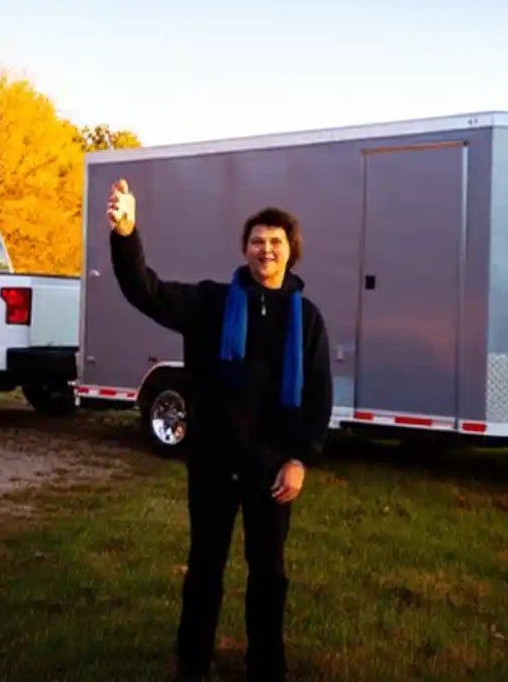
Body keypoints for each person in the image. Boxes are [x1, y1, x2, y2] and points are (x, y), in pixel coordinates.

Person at [106, 179, 333, 681]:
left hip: (271, 469)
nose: (266, 249)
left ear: (291, 251)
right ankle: (192, 661)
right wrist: (126, 232)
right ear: (245, 249)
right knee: (205, 567)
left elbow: (319, 397)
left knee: (268, 573)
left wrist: (301, 459)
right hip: (212, 461)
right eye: (257, 240)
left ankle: (267, 665)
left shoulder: (308, 319)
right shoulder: (212, 304)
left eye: (276, 241)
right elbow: (145, 289)